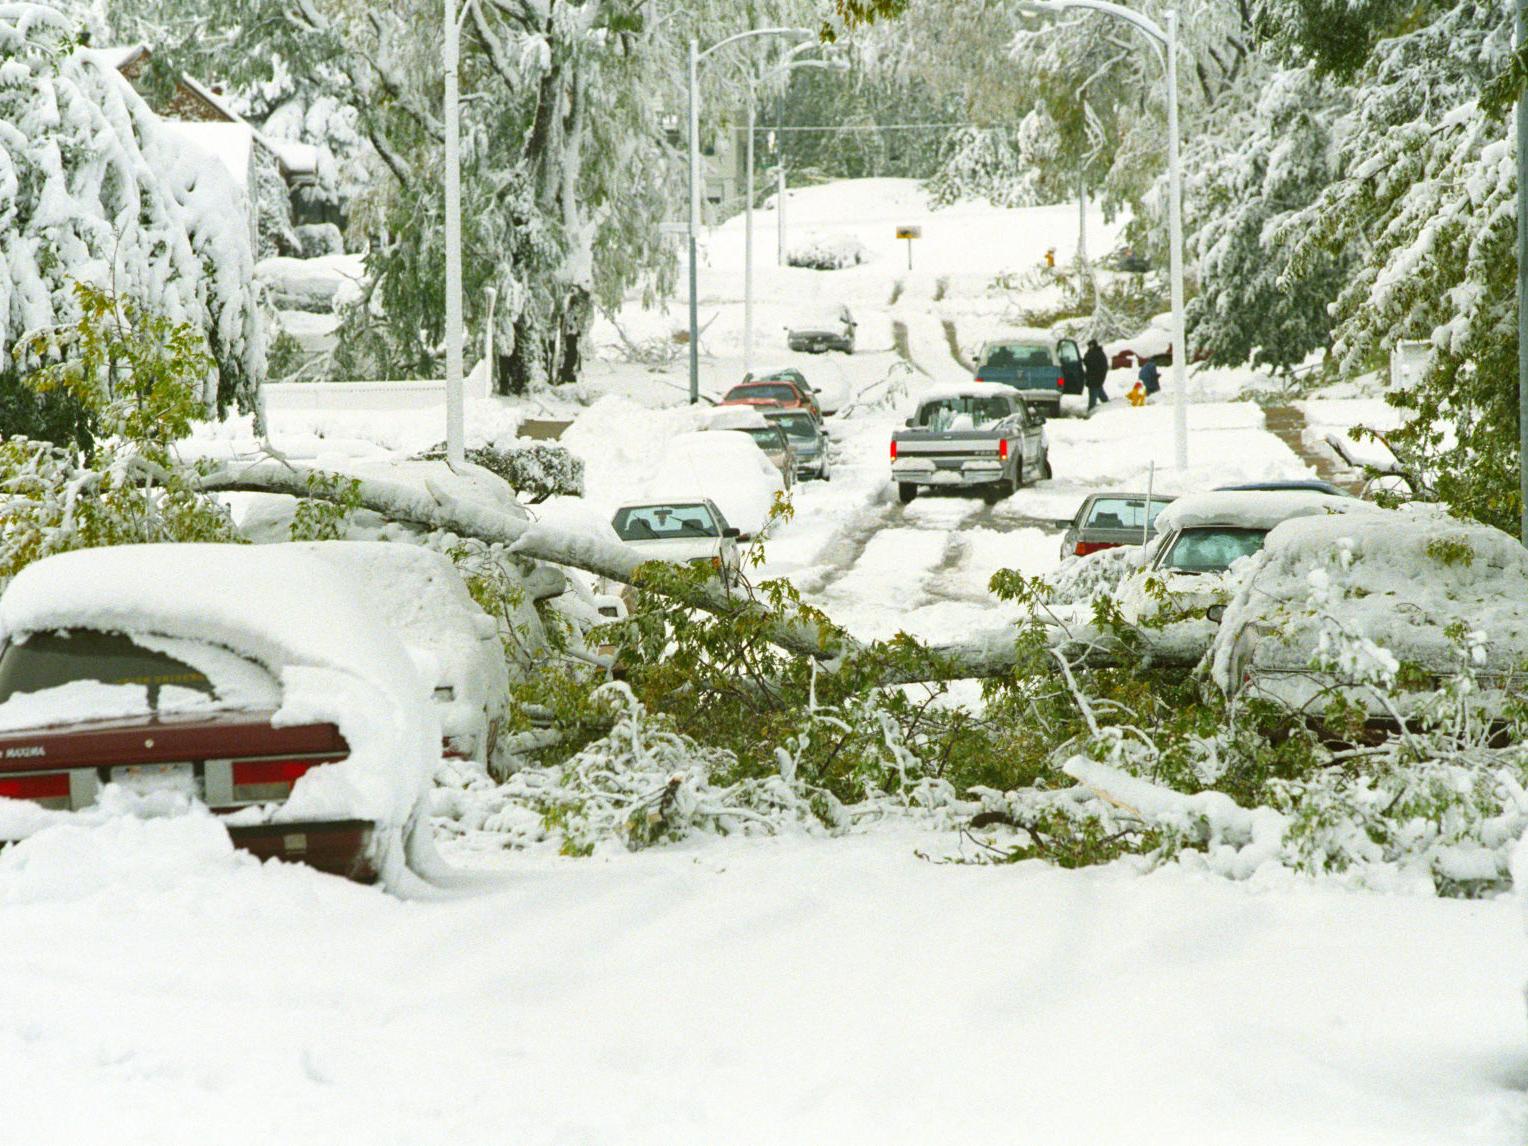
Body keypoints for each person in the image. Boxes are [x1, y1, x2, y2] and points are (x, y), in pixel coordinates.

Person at [1083, 339, 1110, 412]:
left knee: (1093, 395)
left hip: (1095, 378)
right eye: (1089, 346)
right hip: (1095, 378)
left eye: (1091, 345)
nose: (1090, 347)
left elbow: (1089, 362)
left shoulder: (1097, 354)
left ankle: (1091, 410)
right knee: (1100, 392)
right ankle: (1108, 405)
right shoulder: (1097, 353)